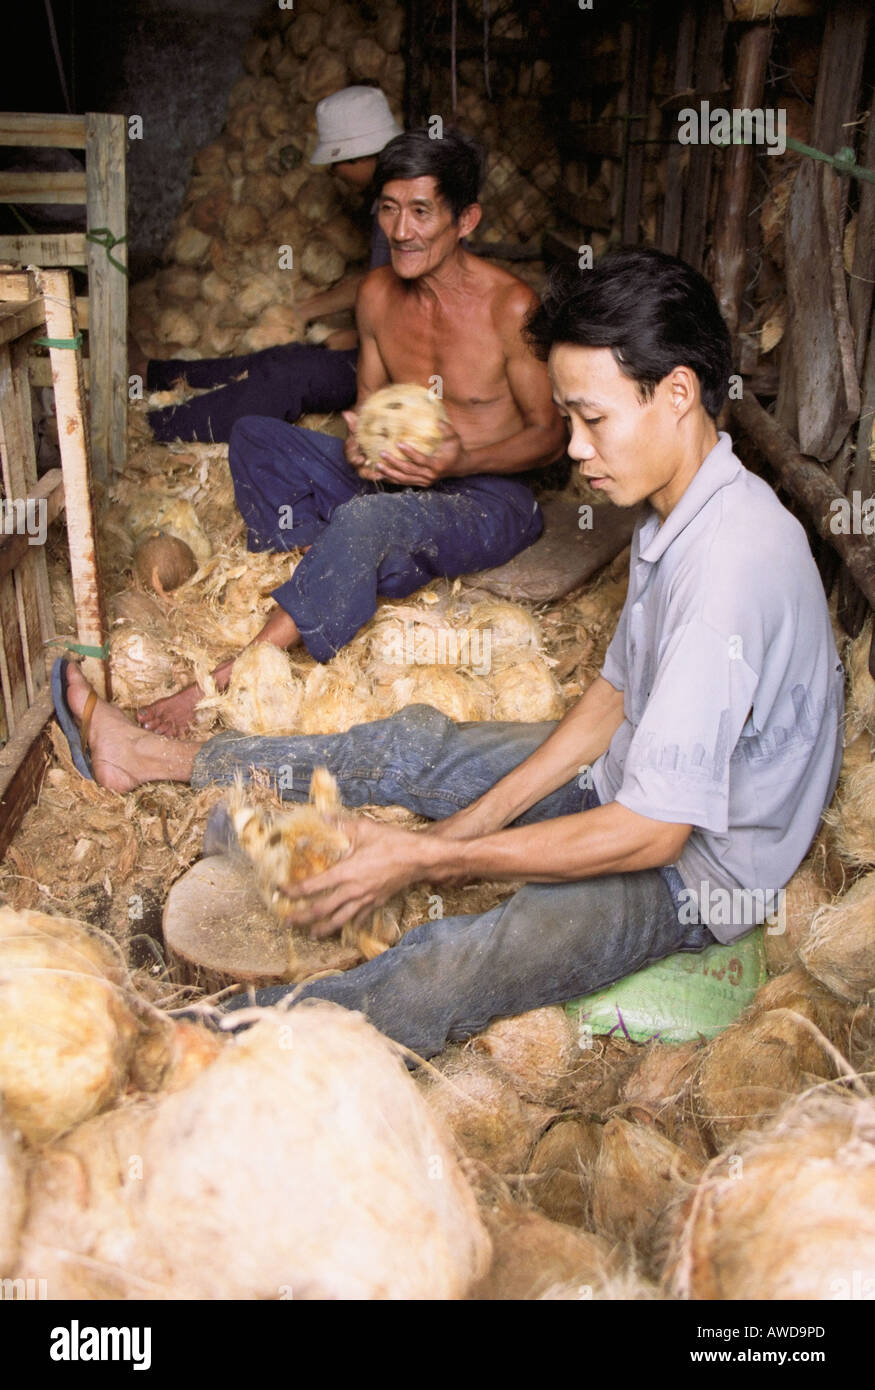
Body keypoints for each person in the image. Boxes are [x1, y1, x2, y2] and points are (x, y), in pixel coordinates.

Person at [55, 247, 845, 1059]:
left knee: (462, 960)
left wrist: (436, 863)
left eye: (592, 418)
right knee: (410, 748)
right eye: (568, 419)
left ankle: (180, 1047)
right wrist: (445, 842)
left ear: (676, 392)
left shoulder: (727, 569)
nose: (571, 447)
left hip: (696, 872)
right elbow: (613, 697)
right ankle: (154, 758)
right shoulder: (676, 505)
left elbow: (651, 834)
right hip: (629, 772)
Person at [137, 127, 568, 736]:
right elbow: (365, 415)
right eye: (388, 209)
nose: (400, 230)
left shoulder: (511, 307)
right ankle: (330, 564)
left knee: (368, 523)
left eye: (421, 212)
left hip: (488, 497)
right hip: (392, 488)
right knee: (257, 434)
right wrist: (360, 448)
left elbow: (550, 436)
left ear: (465, 219)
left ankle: (249, 659)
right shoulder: (375, 295)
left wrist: (455, 462)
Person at [139, 86, 403, 444]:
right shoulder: (390, 198)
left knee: (287, 378)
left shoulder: (405, 207)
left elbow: (404, 299)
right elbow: (382, 284)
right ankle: (156, 374)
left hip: (402, 367)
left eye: (338, 162)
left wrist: (366, 343)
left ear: (358, 157)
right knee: (277, 359)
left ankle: (156, 428)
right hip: (385, 347)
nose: (335, 172)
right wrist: (314, 314)